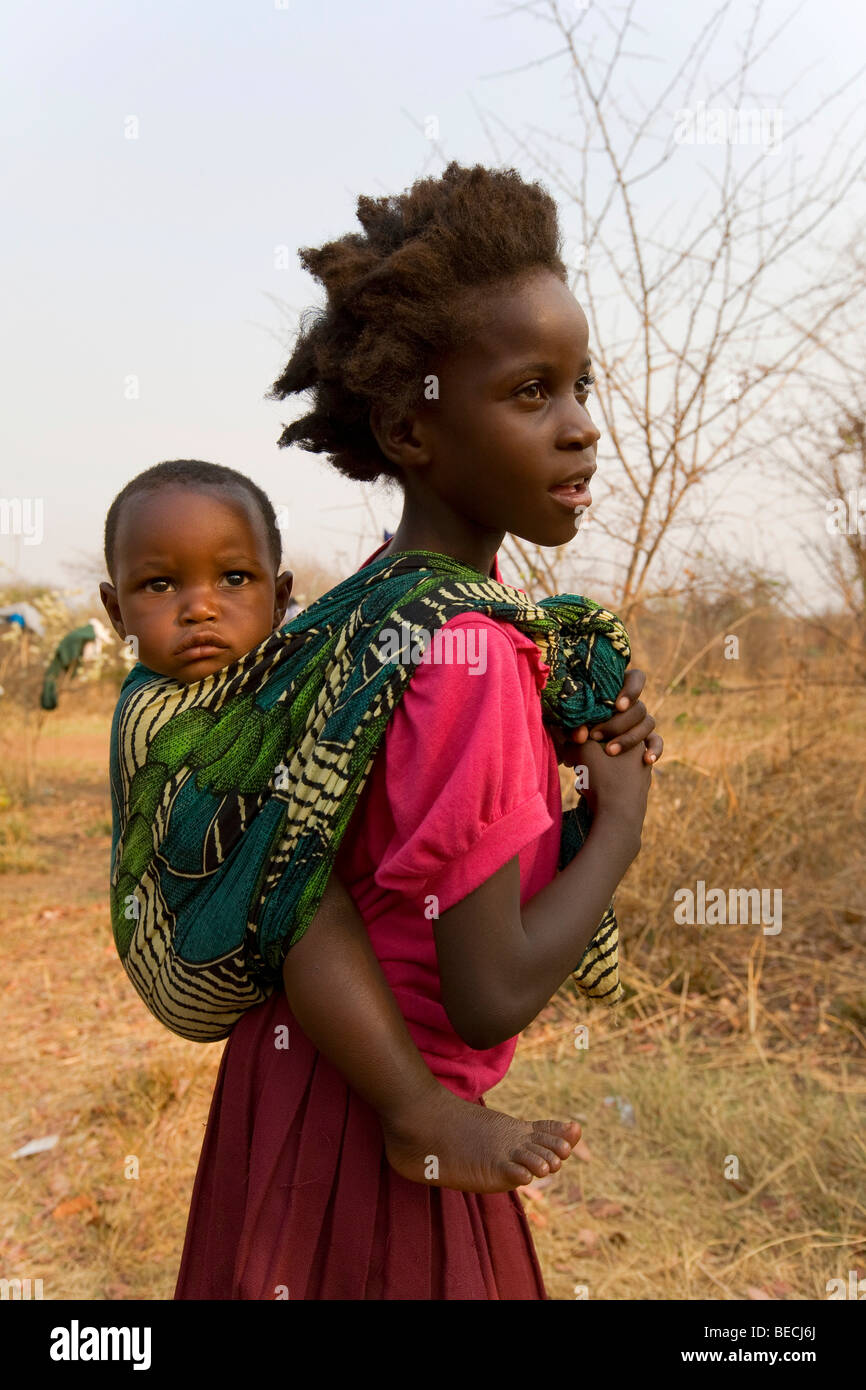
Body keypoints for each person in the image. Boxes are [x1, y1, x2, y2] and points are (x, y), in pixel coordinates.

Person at [167, 164, 662, 1300]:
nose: (581, 429)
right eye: (531, 392)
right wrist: (622, 820)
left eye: (581, 386)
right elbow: (488, 991)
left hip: (289, 1093)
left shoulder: (378, 603)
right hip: (393, 1132)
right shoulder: (471, 653)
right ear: (412, 426)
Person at [100, 458, 600, 1202]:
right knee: (305, 897)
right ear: (115, 611)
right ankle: (416, 1112)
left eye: (233, 578)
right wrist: (620, 823)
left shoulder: (325, 649)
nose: (199, 607)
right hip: (217, 937)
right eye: (160, 585)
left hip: (291, 1070)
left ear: (284, 597)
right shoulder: (159, 713)